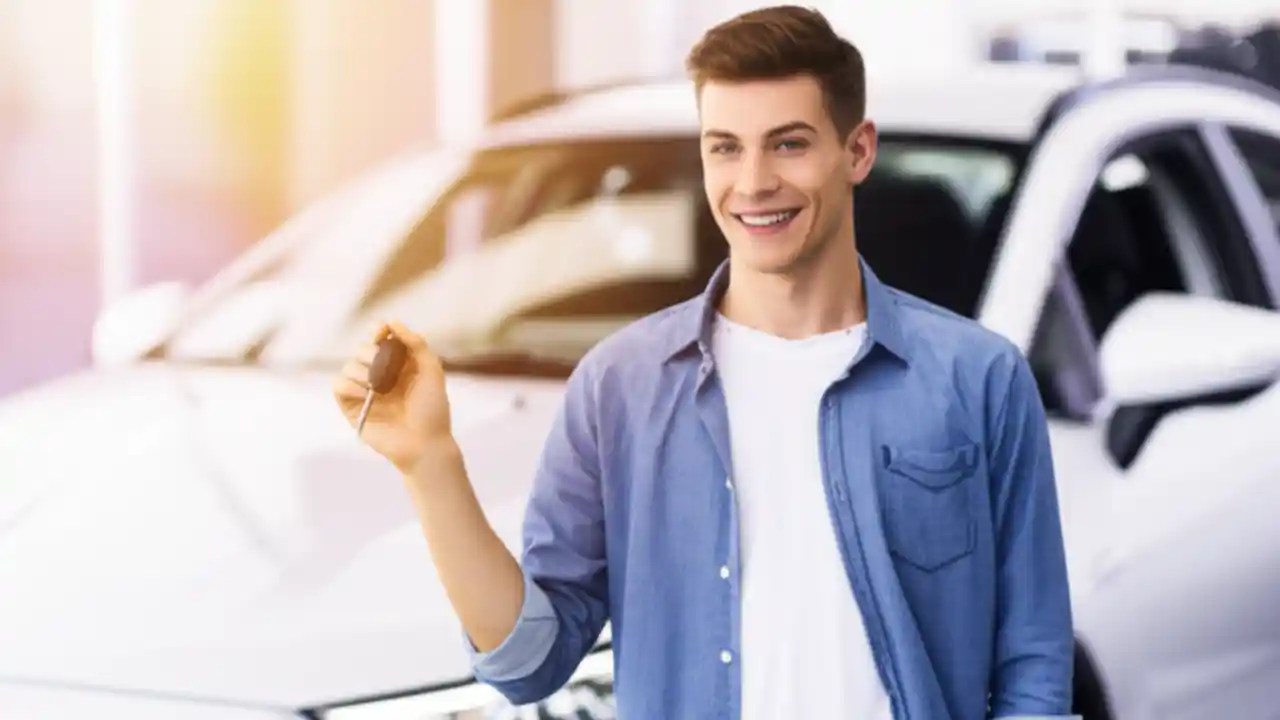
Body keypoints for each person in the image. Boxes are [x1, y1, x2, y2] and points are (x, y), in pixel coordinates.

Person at [332, 6, 1076, 719]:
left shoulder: (979, 380)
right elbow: (528, 663)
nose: (752, 182)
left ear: (857, 150)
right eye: (725, 146)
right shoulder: (619, 388)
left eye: (788, 143)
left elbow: (1033, 668)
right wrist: (430, 464)